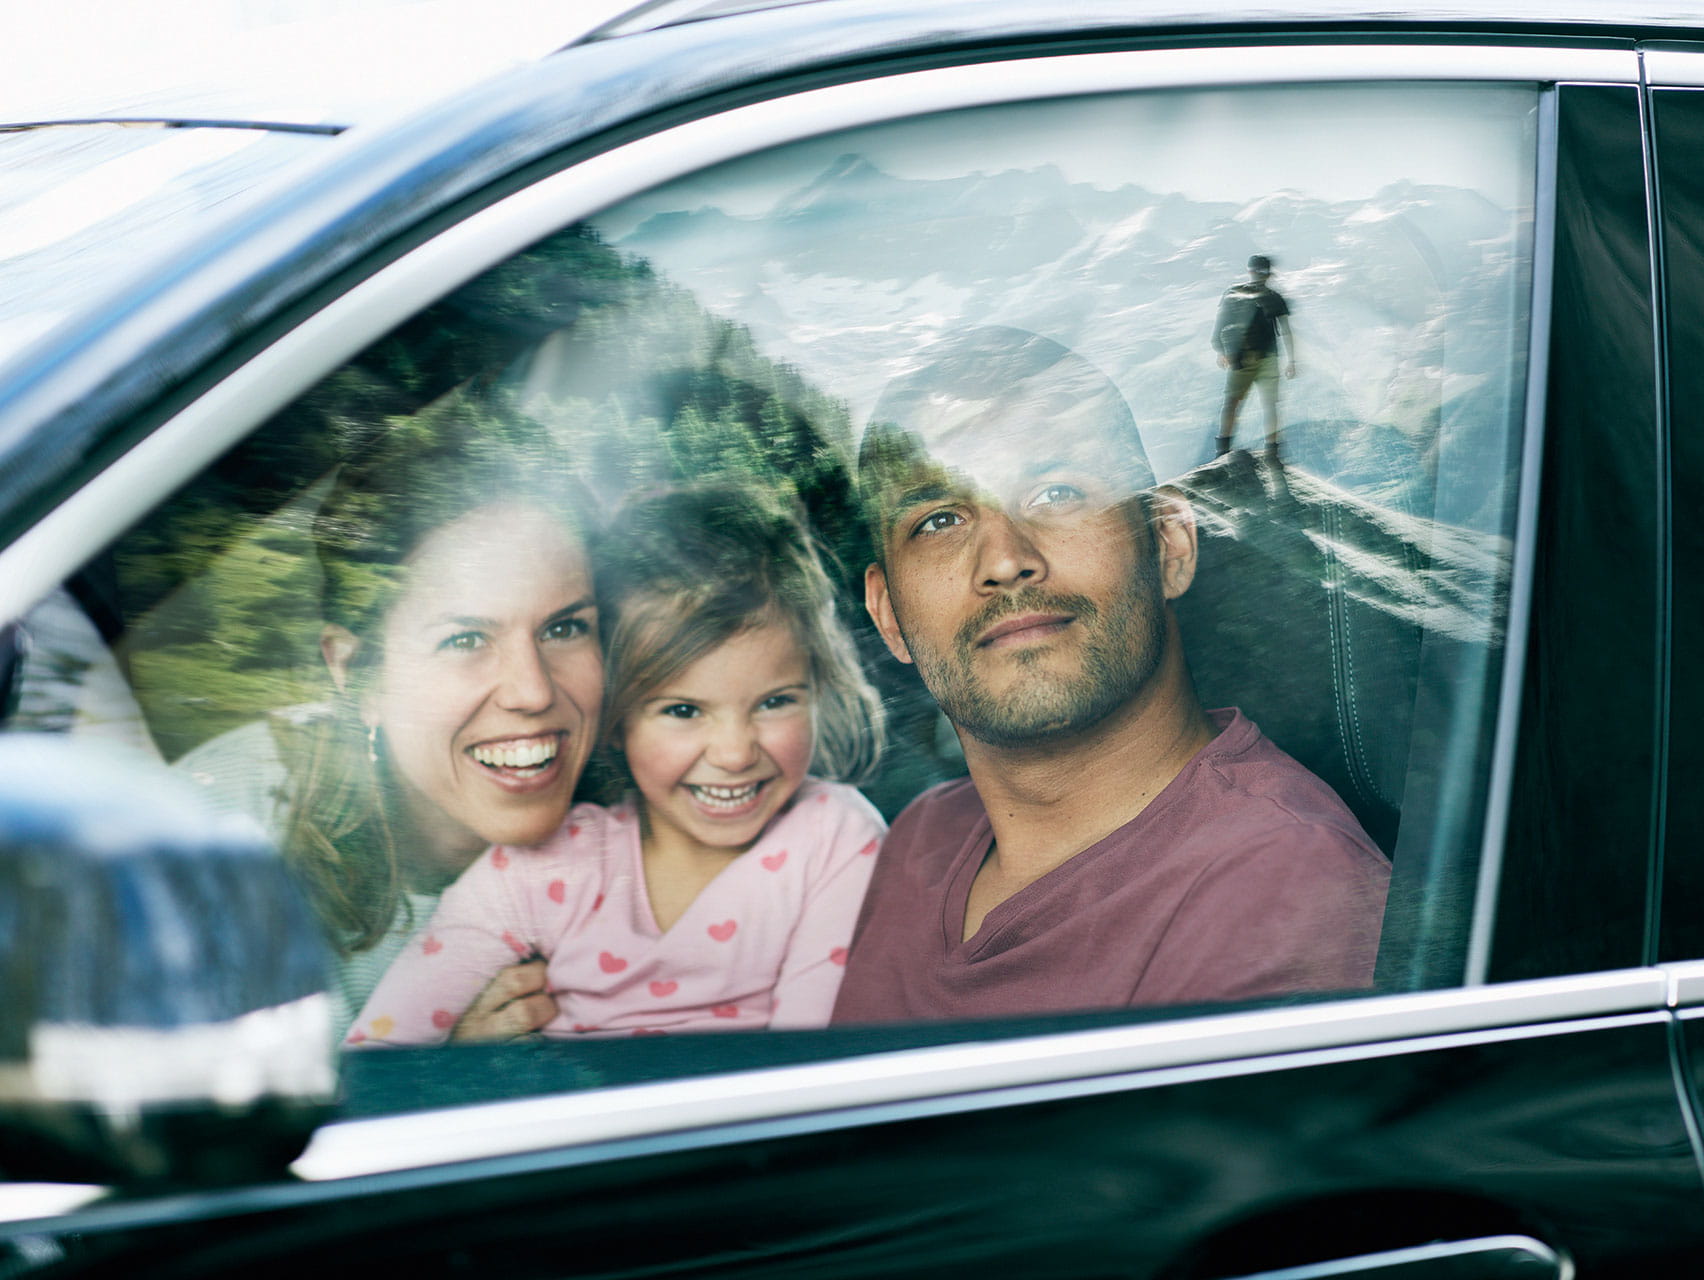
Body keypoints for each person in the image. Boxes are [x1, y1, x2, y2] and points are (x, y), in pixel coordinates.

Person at [833, 328, 1387, 1023]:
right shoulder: (923, 838)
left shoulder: (1283, 887)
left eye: (1057, 492)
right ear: (888, 615)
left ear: (1169, 544)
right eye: (940, 520)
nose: (1004, 560)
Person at [346, 485, 886, 1043]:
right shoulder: (541, 871)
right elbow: (378, 1053)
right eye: (683, 711)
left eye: (775, 703)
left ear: (816, 690)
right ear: (616, 719)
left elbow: (811, 1065)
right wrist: (455, 1074)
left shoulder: (833, 839)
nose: (735, 753)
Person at [178, 421, 604, 1041]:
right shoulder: (222, 840)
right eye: (465, 640)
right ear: (356, 675)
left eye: (564, 629)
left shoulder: (667, 809)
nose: (533, 692)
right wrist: (433, 1079)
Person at [1211, 253, 1296, 462]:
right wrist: (1291, 361)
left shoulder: (1233, 293)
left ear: (1250, 271)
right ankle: (1272, 452)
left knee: (1232, 403)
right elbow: (1285, 331)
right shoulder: (1274, 297)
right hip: (1268, 359)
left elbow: (1220, 325)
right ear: (1269, 274)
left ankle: (1222, 450)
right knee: (1270, 405)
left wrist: (1221, 350)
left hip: (1240, 359)